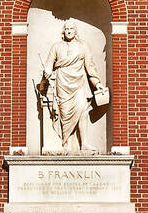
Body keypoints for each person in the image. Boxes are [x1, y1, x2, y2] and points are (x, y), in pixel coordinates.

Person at [41, 19, 105, 153]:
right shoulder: (57, 46)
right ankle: (67, 143)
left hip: (79, 83)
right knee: (65, 114)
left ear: (76, 31)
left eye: (72, 28)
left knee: (82, 111)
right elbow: (49, 63)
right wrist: (47, 71)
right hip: (62, 83)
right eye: (67, 28)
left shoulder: (83, 46)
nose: (69, 31)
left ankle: (84, 143)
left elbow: (90, 67)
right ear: (63, 31)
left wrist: (97, 83)